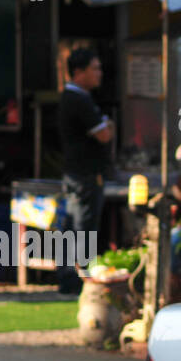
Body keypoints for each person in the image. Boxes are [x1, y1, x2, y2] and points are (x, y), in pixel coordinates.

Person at [57, 48, 114, 295]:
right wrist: (109, 125)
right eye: (95, 68)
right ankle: (77, 280)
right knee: (82, 227)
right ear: (79, 72)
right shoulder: (78, 99)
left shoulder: (77, 98)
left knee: (74, 225)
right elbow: (104, 134)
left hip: (75, 174)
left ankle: (71, 277)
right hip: (84, 175)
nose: (100, 74)